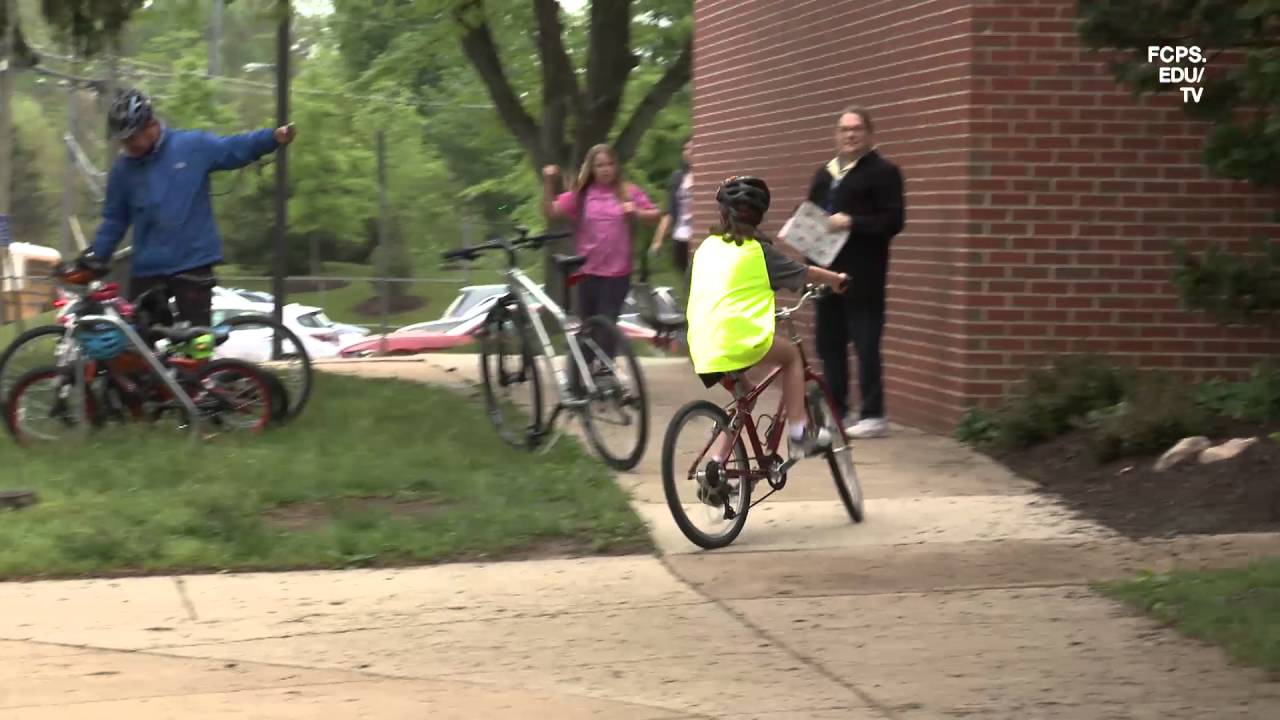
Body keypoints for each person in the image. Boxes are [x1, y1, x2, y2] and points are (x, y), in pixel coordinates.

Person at [85, 88, 296, 328]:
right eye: (122, 140)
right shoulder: (123, 171)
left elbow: (233, 147)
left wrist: (272, 138)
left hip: (192, 262)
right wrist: (95, 256)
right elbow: (114, 220)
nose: (127, 145)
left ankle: (204, 366)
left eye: (132, 137)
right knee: (137, 344)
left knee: (195, 345)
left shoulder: (191, 146)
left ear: (151, 125)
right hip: (148, 267)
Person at [686, 176, 849, 461]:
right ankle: (800, 436)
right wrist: (837, 280)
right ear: (759, 217)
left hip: (701, 342)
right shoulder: (759, 252)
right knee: (791, 357)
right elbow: (805, 273)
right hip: (735, 340)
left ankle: (716, 466)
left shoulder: (706, 248)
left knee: (745, 396)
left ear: (722, 212)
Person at [806, 105, 904, 439]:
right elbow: (812, 213)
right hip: (826, 272)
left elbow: (893, 221)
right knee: (829, 345)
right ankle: (838, 412)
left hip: (863, 274)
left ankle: (874, 414)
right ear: (837, 134)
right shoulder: (825, 173)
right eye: (844, 129)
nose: (850, 135)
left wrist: (852, 221)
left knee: (866, 344)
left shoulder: (884, 172)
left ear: (869, 133)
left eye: (856, 129)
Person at [541, 143, 660, 356]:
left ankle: (607, 375)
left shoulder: (627, 192)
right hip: (587, 272)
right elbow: (551, 211)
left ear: (617, 166)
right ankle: (582, 377)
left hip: (617, 274)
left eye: (610, 164)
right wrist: (549, 182)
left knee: (607, 324)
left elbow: (654, 216)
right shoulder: (581, 195)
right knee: (588, 326)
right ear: (591, 169)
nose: (606, 169)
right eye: (600, 165)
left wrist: (636, 212)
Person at [650, 137, 694, 281]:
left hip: (698, 235)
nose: (689, 152)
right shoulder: (678, 177)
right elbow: (669, 212)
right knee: (685, 279)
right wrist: (658, 240)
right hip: (680, 237)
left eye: (693, 148)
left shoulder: (707, 175)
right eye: (686, 149)